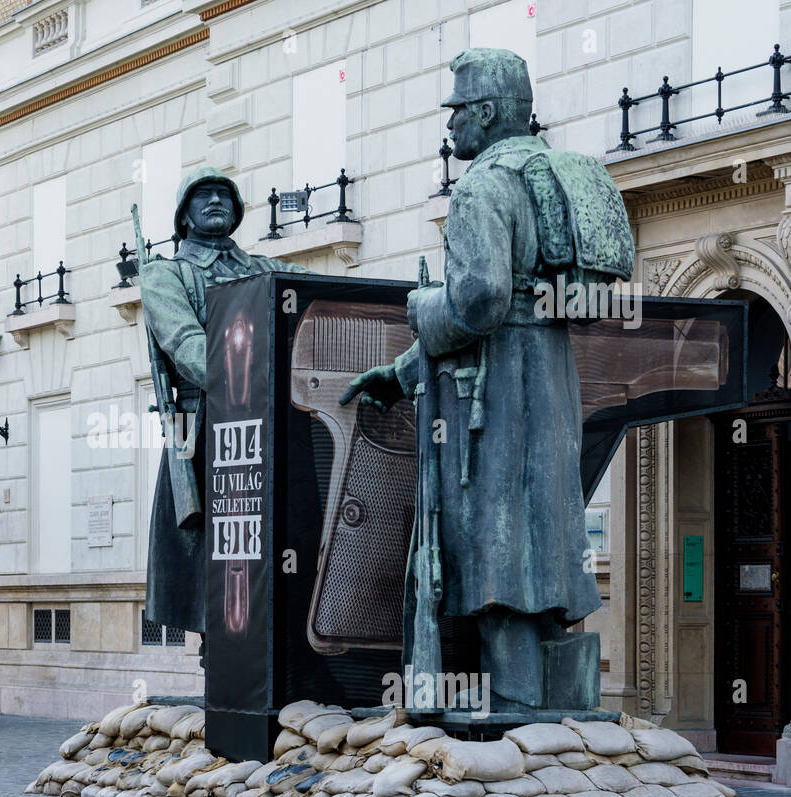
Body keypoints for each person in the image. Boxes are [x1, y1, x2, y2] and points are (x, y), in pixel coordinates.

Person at [345, 49, 629, 712]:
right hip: (550, 382)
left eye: (458, 112)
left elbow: (479, 301)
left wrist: (419, 307)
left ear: (488, 112)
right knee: (544, 538)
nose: (452, 129)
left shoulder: (480, 187)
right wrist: (405, 369)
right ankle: (551, 700)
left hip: (493, 398)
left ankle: (516, 699)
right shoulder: (550, 178)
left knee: (499, 549)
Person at [139, 168, 310, 647]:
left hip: (276, 422)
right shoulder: (165, 274)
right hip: (209, 429)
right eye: (203, 194)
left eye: (224, 194)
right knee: (214, 563)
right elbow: (189, 346)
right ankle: (221, 661)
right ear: (183, 215)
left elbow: (319, 300)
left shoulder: (267, 269)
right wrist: (252, 378)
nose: (215, 201)